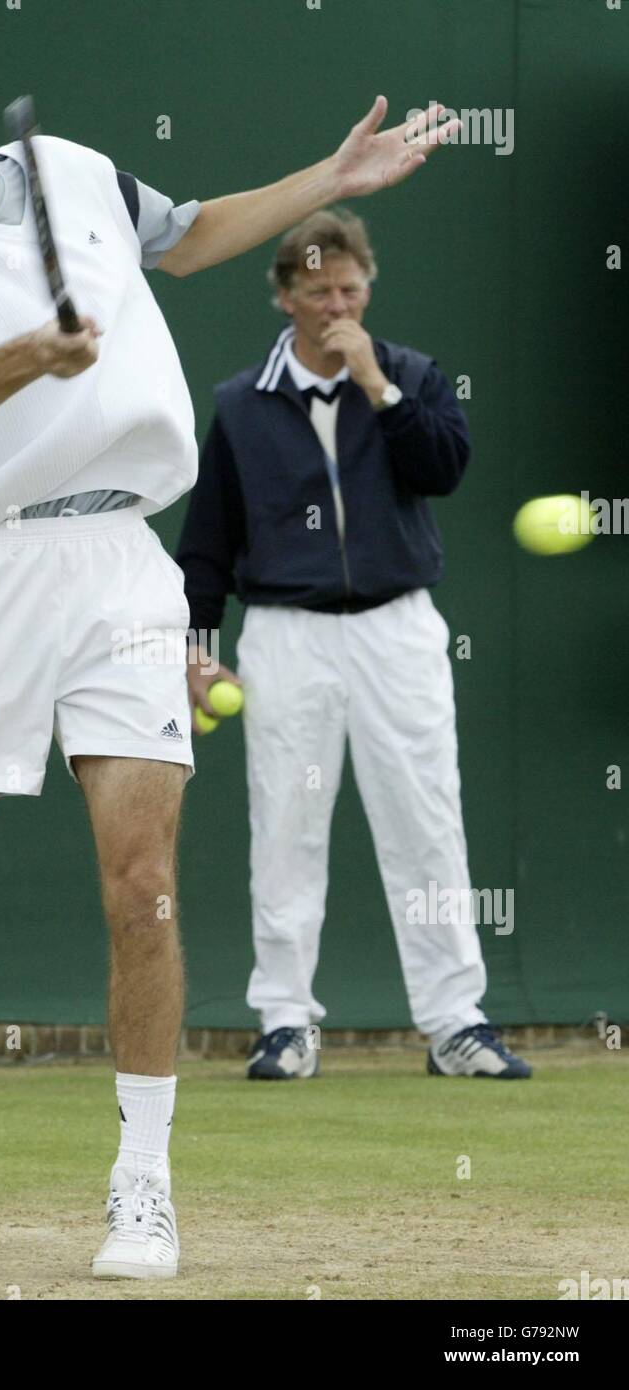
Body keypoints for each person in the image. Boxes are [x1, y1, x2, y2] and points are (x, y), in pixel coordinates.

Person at [0, 21, 461, 1279]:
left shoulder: (73, 169)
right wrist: (33, 354)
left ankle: (141, 1183)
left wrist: (328, 180)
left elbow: (185, 237)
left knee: (143, 886)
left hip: (126, 562)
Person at [178, 209, 531, 1083]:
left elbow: (444, 467)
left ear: (367, 290)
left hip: (398, 629)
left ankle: (456, 1022)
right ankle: (286, 1023)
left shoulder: (410, 376)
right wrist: (195, 648)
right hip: (287, 639)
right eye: (318, 290)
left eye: (351, 289)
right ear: (285, 297)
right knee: (286, 826)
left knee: (427, 823)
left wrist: (381, 387)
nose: (337, 304)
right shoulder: (239, 405)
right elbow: (206, 547)